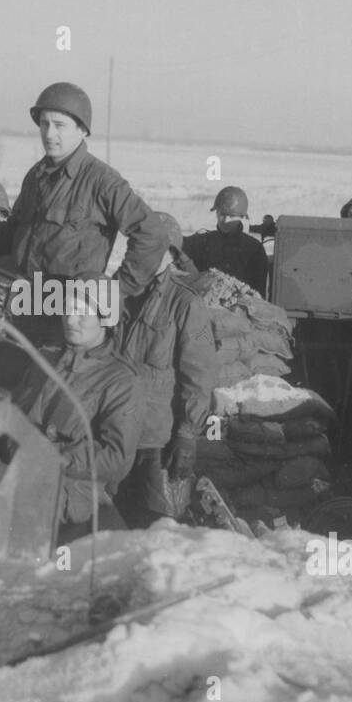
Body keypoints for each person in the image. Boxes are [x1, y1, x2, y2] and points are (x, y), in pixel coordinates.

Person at [0, 82, 164, 310]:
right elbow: (14, 230)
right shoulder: (37, 176)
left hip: (64, 314)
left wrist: (114, 293)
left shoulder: (102, 181)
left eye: (59, 125)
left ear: (82, 130)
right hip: (19, 301)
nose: (49, 134)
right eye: (44, 124)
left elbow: (152, 235)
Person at [9, 278, 141, 542]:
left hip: (72, 487)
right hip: (17, 468)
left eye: (82, 312)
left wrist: (58, 458)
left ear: (106, 319)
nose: (70, 319)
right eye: (67, 309)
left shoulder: (121, 380)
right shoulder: (46, 357)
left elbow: (116, 457)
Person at [114, 213, 217, 527]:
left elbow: (199, 376)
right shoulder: (118, 293)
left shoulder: (186, 305)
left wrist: (188, 435)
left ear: (171, 254)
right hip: (114, 431)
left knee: (157, 526)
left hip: (155, 439)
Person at [181, 185, 271, 295]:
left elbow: (258, 292)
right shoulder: (201, 242)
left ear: (242, 217)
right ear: (216, 213)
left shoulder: (254, 249)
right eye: (222, 214)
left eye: (232, 216)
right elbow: (176, 247)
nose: (226, 220)